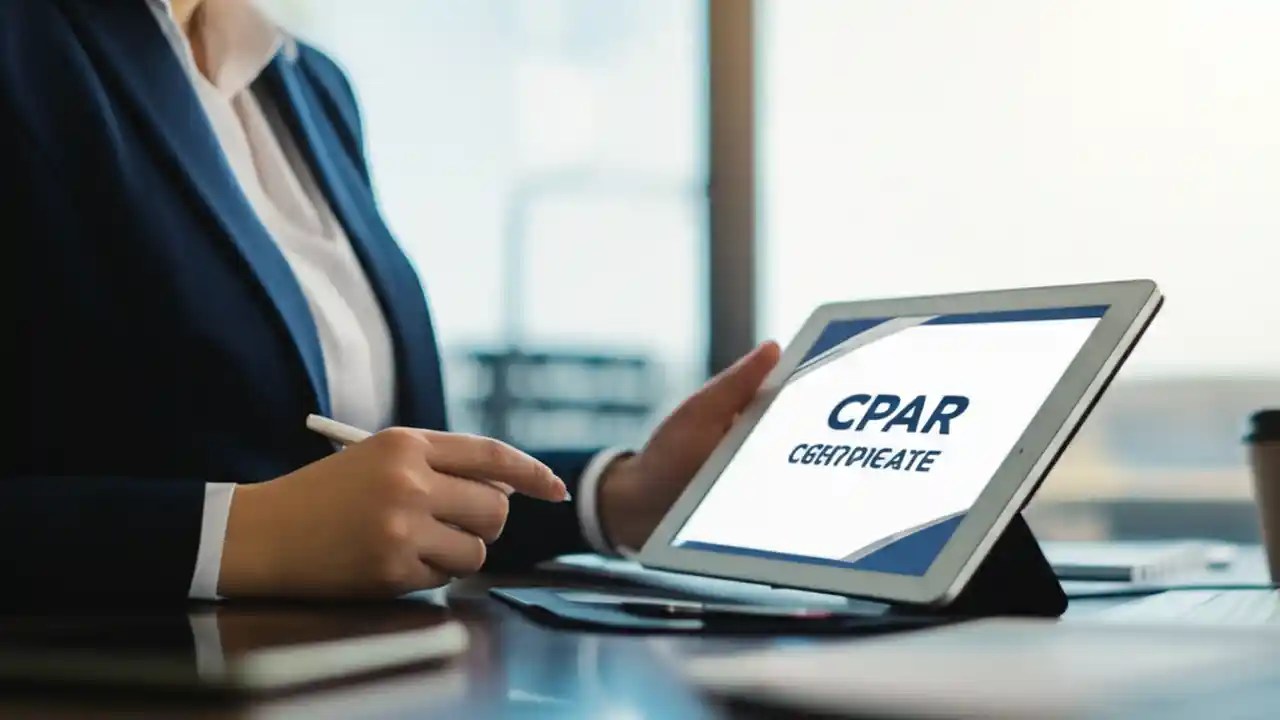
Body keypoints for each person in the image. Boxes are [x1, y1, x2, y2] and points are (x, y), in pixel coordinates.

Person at [0, 0, 781, 602]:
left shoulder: (307, 86)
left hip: (367, 682)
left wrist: (623, 496)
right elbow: (296, 524)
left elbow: (371, 488)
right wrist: (238, 537)